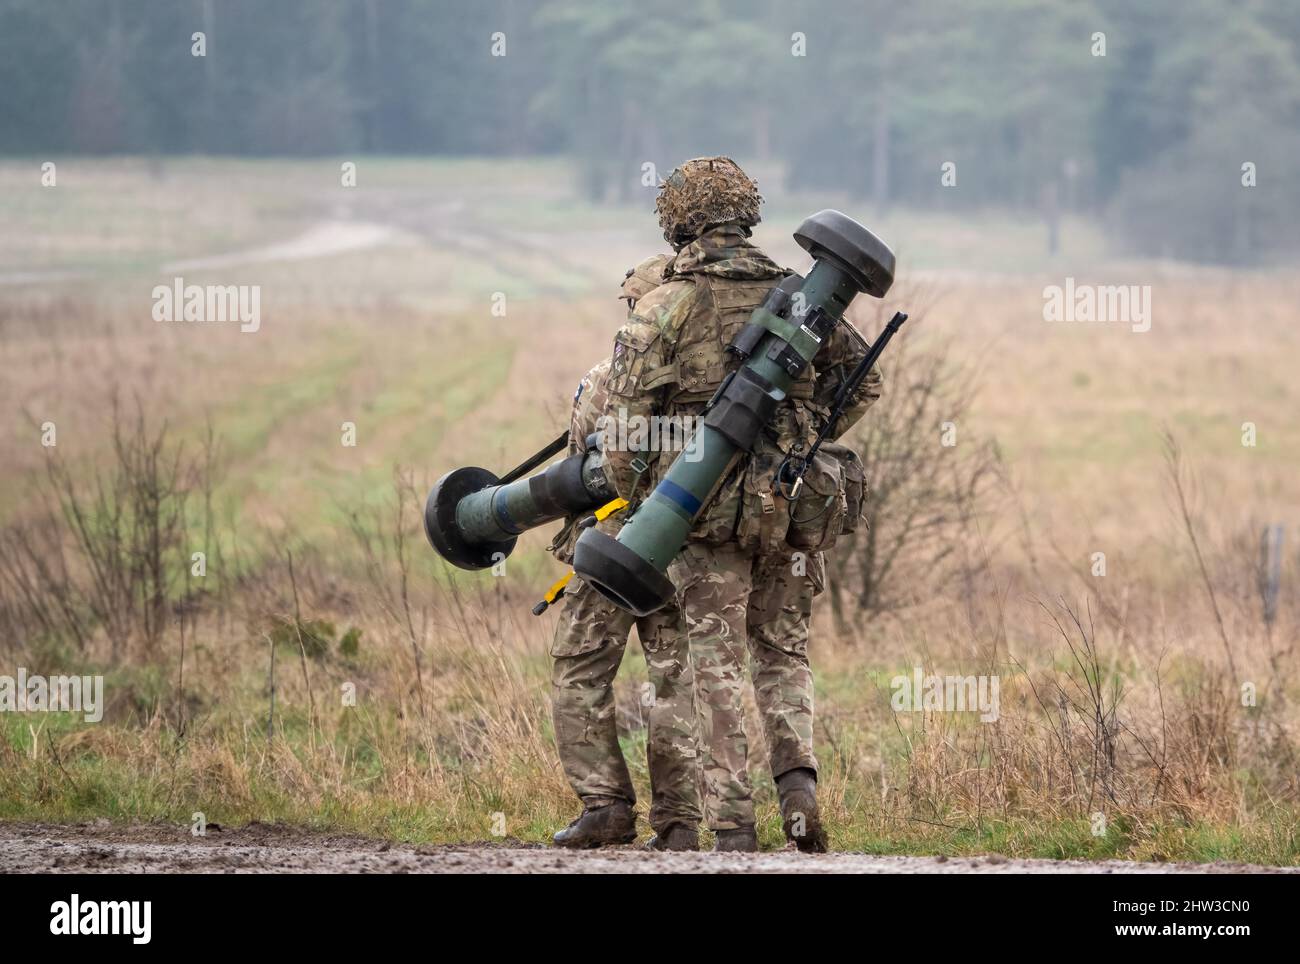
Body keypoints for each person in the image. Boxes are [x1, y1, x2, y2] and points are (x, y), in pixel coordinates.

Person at [597, 157, 882, 851]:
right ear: (746, 212)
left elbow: (623, 432)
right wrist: (798, 436)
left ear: (680, 220)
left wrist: (643, 493)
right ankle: (799, 798)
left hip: (699, 518)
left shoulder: (666, 304)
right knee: (783, 654)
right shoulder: (799, 296)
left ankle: (732, 823)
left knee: (714, 662)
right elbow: (863, 385)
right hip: (787, 511)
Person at [548, 257, 703, 852]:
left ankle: (606, 807)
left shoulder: (608, 376)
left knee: (580, 667)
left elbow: (584, 464)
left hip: (612, 545)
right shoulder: (717, 383)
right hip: (684, 549)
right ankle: (680, 824)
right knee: (676, 679)